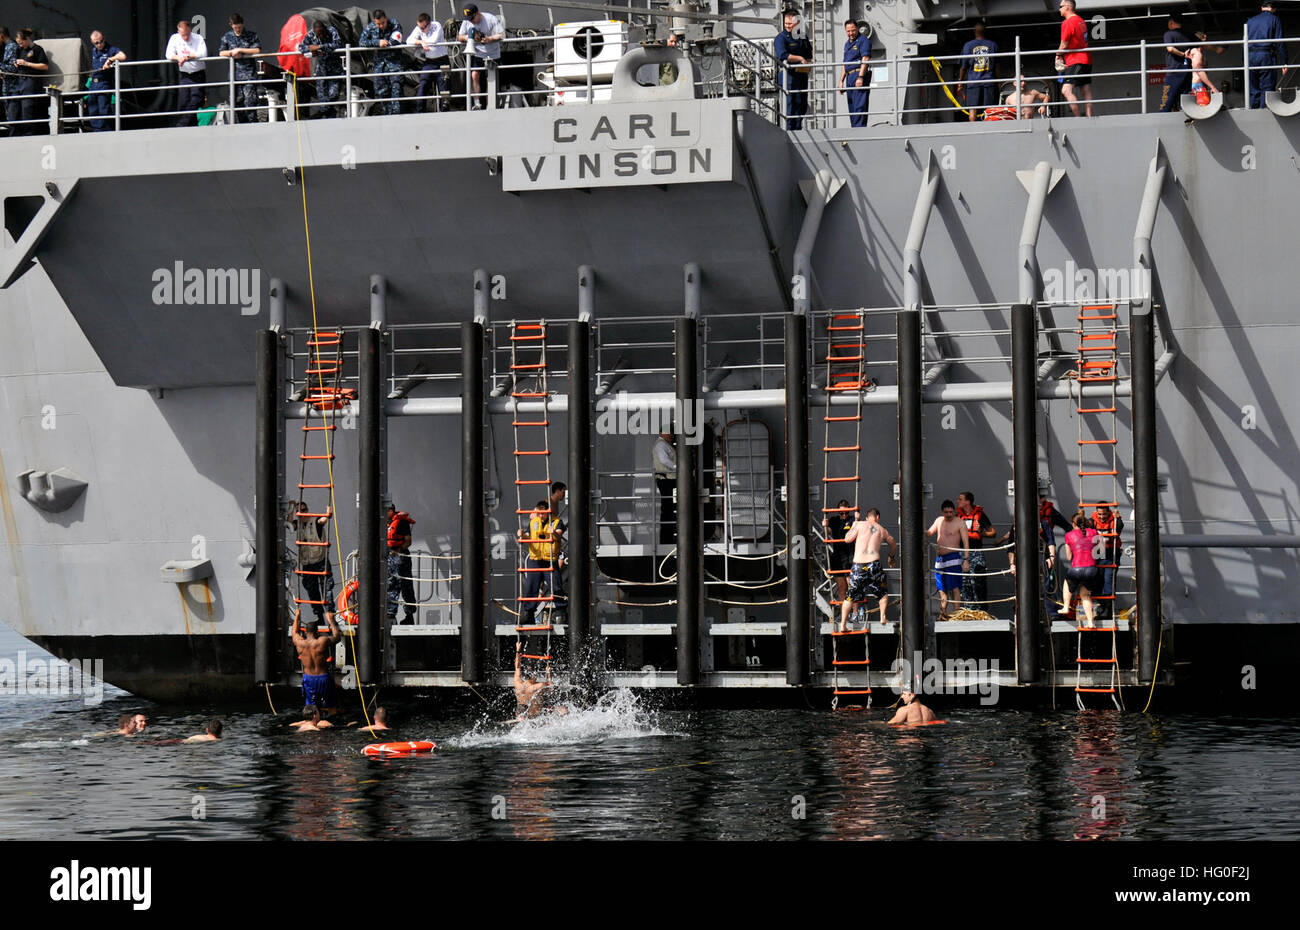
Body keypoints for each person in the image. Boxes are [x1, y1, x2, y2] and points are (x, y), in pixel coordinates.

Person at [841, 507, 897, 630]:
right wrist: (891, 557)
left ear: (867, 518)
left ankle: (843, 624)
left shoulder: (860, 525)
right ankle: (882, 617)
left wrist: (854, 525)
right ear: (878, 517)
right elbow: (893, 544)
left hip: (858, 565)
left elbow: (847, 539)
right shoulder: (882, 530)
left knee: (850, 596)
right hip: (873, 564)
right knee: (882, 594)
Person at [518, 499, 565, 624]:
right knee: (531, 586)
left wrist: (553, 532)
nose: (540, 516)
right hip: (535, 559)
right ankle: (529, 613)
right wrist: (522, 534)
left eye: (543, 513)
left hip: (550, 559)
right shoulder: (534, 522)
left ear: (548, 512)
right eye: (539, 513)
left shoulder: (557, 522)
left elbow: (559, 536)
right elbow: (528, 534)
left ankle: (561, 611)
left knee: (555, 585)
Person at [293, 502, 336, 627]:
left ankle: (331, 616)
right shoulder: (298, 524)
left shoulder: (315, 521)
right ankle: (319, 616)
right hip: (307, 563)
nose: (303, 513)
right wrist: (290, 510)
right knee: (311, 590)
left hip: (320, 561)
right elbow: (289, 525)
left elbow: (323, 520)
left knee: (326, 588)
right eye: (300, 511)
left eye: (305, 510)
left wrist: (328, 514)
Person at [926, 500, 969, 618]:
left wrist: (966, 559)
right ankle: (943, 612)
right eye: (946, 512)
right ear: (942, 512)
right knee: (941, 588)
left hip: (954, 557)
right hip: (940, 559)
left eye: (951, 512)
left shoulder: (960, 523)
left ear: (954, 511)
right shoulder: (939, 520)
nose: (949, 514)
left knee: (955, 588)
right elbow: (929, 533)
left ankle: (956, 614)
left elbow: (966, 542)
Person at [292, 609, 342, 711]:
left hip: (309, 678)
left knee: (311, 708)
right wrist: (330, 620)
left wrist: (297, 616)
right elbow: (337, 637)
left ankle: (312, 722)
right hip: (323, 677)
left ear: (305, 632)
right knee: (330, 707)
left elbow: (294, 632)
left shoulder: (299, 643)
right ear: (317, 632)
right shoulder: (322, 641)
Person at [360, 8, 405, 116]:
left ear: (386, 18)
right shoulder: (371, 27)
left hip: (395, 64)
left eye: (383, 23)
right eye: (378, 24)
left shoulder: (394, 24)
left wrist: (387, 43)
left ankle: (397, 116)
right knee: (381, 92)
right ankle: (386, 115)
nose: (381, 26)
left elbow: (396, 40)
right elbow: (362, 42)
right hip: (379, 66)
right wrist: (377, 42)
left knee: (397, 90)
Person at [458, 4, 503, 110]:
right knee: (474, 75)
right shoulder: (467, 21)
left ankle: (490, 105)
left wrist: (490, 39)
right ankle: (477, 103)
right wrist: (469, 37)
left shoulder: (490, 18)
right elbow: (459, 36)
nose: (471, 21)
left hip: (492, 54)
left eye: (472, 18)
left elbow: (501, 34)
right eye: (469, 19)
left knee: (490, 80)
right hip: (478, 53)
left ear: (478, 13)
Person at [1059, 512, 1101, 626]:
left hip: (1076, 569)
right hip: (1091, 570)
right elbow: (1100, 553)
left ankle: (1066, 606)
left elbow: (1069, 557)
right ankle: (1090, 622)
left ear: (1073, 524)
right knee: (1085, 596)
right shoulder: (1095, 532)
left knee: (1067, 584)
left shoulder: (1069, 535)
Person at [956, 491, 996, 609]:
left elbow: (993, 533)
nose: (958, 501)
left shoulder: (980, 515)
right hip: (961, 553)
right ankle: (969, 609)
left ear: (967, 502)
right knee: (964, 582)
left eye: (960, 499)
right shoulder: (958, 517)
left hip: (976, 553)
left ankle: (981, 610)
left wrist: (981, 532)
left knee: (978, 581)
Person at [218, 14, 261, 123]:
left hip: (249, 74)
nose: (238, 29)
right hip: (234, 75)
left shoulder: (251, 35)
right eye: (235, 27)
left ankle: (252, 125)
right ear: (231, 25)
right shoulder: (227, 36)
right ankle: (241, 125)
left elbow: (257, 50)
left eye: (240, 27)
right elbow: (221, 52)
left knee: (250, 101)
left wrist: (240, 50)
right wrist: (232, 53)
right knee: (236, 102)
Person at [774, 10, 812, 130]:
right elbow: (783, 55)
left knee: (802, 104)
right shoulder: (781, 38)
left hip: (801, 75)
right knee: (791, 105)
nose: (788, 26)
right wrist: (800, 58)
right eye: (786, 23)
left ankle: (798, 128)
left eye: (791, 23)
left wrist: (808, 63)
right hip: (789, 76)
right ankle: (789, 130)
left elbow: (808, 53)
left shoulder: (802, 36)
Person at [166, 20, 208, 127]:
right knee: (183, 103)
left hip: (197, 74)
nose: (185, 37)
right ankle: (192, 126)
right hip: (184, 75)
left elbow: (203, 53)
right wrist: (178, 57)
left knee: (196, 99)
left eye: (187, 34)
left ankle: (181, 125)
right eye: (183, 35)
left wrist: (187, 57)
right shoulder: (174, 38)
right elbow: (168, 54)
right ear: (178, 32)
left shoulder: (198, 38)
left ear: (190, 30)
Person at [7, 29, 48, 136]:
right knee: (13, 108)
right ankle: (13, 134)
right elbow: (15, 60)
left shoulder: (37, 49)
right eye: (18, 43)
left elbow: (44, 66)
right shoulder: (19, 50)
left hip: (31, 80)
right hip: (19, 80)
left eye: (22, 42)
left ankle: (28, 134)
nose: (20, 45)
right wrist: (16, 63)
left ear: (27, 39)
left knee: (27, 108)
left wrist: (27, 63)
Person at [1247, 1, 1287, 108]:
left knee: (1253, 87)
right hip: (1266, 55)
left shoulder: (1250, 21)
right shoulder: (1275, 19)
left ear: (1261, 8)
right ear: (1274, 9)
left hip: (1250, 56)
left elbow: (1244, 42)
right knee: (1267, 86)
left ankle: (1253, 111)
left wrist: (1244, 59)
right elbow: (1279, 42)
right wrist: (1284, 62)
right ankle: (1264, 112)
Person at [299, 19, 344, 117]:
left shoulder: (332, 31)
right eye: (318, 34)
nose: (320, 36)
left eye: (322, 33)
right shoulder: (311, 34)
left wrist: (320, 47)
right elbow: (301, 47)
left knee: (333, 94)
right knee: (322, 96)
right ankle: (328, 116)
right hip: (321, 69)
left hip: (334, 69)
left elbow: (337, 44)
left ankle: (321, 112)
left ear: (324, 29)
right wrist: (310, 49)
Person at [1056, 0, 1093, 118]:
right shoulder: (1081, 21)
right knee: (1085, 89)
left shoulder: (1067, 22)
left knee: (1066, 90)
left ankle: (1078, 118)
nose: (1059, 9)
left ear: (1067, 7)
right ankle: (1089, 116)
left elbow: (1064, 44)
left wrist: (1057, 55)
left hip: (1076, 60)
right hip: (1087, 59)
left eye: (1060, 6)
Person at [409, 12, 449, 112]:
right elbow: (409, 40)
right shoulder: (420, 28)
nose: (421, 30)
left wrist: (423, 41)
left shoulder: (437, 25)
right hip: (429, 62)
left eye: (423, 28)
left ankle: (445, 112)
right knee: (423, 84)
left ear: (429, 24)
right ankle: (420, 111)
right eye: (420, 28)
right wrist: (421, 42)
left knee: (444, 88)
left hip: (442, 60)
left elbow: (434, 40)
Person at [958, 22, 998, 121]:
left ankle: (972, 129)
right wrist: (999, 81)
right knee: (989, 110)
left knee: (973, 110)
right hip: (989, 81)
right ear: (985, 32)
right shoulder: (993, 45)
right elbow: (997, 66)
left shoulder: (968, 45)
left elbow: (963, 67)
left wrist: (960, 82)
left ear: (974, 32)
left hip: (973, 82)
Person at [86, 31, 125, 132]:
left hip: (104, 83)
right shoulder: (94, 50)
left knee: (103, 109)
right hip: (93, 84)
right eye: (96, 43)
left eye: (101, 41)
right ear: (92, 42)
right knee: (92, 109)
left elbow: (123, 56)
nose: (99, 44)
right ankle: (97, 131)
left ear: (104, 38)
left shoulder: (111, 49)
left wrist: (110, 59)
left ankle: (106, 131)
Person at [1090, 503, 1124, 619]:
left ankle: (1108, 610)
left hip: (1111, 552)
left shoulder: (1113, 520)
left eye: (1104, 514)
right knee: (1097, 579)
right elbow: (1083, 527)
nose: (1102, 517)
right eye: (1099, 514)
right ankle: (1099, 608)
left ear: (1108, 512)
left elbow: (1119, 529)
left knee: (1109, 579)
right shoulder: (1092, 520)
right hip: (1098, 550)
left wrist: (1118, 518)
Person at [386, 503, 417, 625]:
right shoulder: (386, 522)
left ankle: (409, 615)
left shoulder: (402, 522)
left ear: (391, 510)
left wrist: (398, 551)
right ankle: (390, 613)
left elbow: (408, 541)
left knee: (405, 584)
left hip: (401, 556)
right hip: (389, 556)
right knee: (391, 584)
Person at [821, 499, 855, 607]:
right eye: (841, 513)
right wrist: (825, 526)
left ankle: (855, 613)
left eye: (846, 512)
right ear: (838, 512)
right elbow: (827, 532)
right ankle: (843, 614)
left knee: (852, 586)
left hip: (850, 555)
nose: (844, 515)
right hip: (838, 556)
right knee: (841, 587)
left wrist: (858, 519)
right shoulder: (834, 520)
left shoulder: (853, 520)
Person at [513, 641, 559, 720]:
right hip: (535, 714)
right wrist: (549, 674)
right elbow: (552, 689)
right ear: (534, 676)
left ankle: (520, 718)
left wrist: (518, 650)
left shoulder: (517, 682)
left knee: (522, 712)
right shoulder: (537, 686)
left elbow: (517, 666)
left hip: (521, 712)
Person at [1160, 13, 1194, 113]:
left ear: (1171, 23)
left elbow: (1170, 48)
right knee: (1185, 102)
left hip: (1174, 72)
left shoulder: (1168, 34)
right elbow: (1202, 44)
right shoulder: (1189, 35)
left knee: (1165, 104)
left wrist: (1183, 54)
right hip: (1188, 71)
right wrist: (1217, 48)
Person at [839, 19, 871, 127]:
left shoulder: (863, 40)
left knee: (859, 107)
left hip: (858, 75)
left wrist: (861, 77)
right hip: (849, 77)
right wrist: (841, 81)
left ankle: (860, 131)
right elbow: (845, 63)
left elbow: (865, 58)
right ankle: (854, 130)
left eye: (853, 30)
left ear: (857, 28)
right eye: (848, 31)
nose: (851, 33)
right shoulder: (847, 44)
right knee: (852, 108)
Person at [652, 431, 677, 545]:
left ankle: (668, 537)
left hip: (668, 480)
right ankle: (667, 539)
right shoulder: (661, 445)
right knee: (668, 508)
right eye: (669, 433)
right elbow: (663, 460)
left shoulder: (664, 444)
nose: (671, 436)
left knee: (669, 508)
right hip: (667, 480)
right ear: (661, 433)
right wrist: (678, 468)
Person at [0, 27, 15, 135]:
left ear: (1, 36)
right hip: (7, 85)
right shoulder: (7, 47)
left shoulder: (11, 47)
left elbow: (13, 68)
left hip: (12, 87)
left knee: (11, 113)